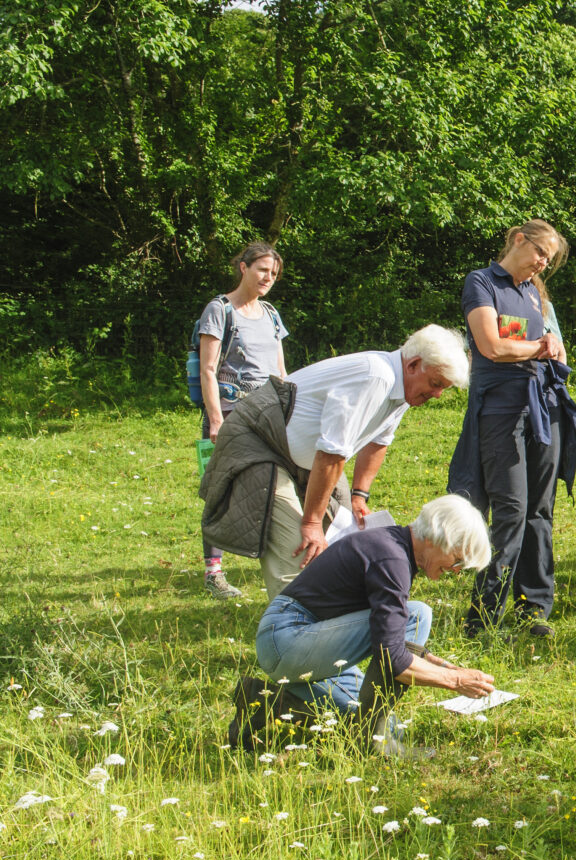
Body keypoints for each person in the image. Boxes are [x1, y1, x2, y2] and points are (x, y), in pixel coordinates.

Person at [200, 325, 469, 600]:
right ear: (413, 364)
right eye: (436, 384)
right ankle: (288, 627)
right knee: (299, 545)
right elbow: (332, 453)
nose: (437, 394)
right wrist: (311, 523)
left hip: (306, 458)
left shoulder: (403, 391)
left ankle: (331, 609)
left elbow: (379, 442)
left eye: (443, 389)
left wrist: (358, 495)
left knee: (346, 532)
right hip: (259, 441)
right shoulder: (375, 377)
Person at [227, 494, 497, 756]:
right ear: (439, 537)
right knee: (418, 615)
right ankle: (373, 740)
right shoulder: (392, 559)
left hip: (294, 643)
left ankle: (263, 707)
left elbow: (389, 636)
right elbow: (392, 656)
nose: (457, 570)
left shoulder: (392, 549)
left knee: (381, 722)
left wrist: (448, 668)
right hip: (289, 636)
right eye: (458, 560)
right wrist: (457, 681)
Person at [446, 220, 576, 639]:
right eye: (541, 252)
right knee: (511, 512)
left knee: (540, 510)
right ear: (519, 240)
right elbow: (491, 346)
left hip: (543, 408)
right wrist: (541, 347)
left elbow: (547, 344)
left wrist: (553, 347)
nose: (543, 263)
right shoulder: (482, 282)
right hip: (500, 414)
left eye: (549, 259)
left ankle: (533, 608)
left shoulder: (532, 292)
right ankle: (484, 617)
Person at [194, 241, 290, 600]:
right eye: (263, 269)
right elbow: (208, 368)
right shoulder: (219, 310)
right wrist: (216, 419)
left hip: (268, 415)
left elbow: (281, 370)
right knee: (220, 489)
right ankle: (213, 573)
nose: (269, 278)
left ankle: (271, 559)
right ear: (243, 268)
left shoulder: (270, 314)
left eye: (274, 273)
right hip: (232, 415)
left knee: (269, 487)